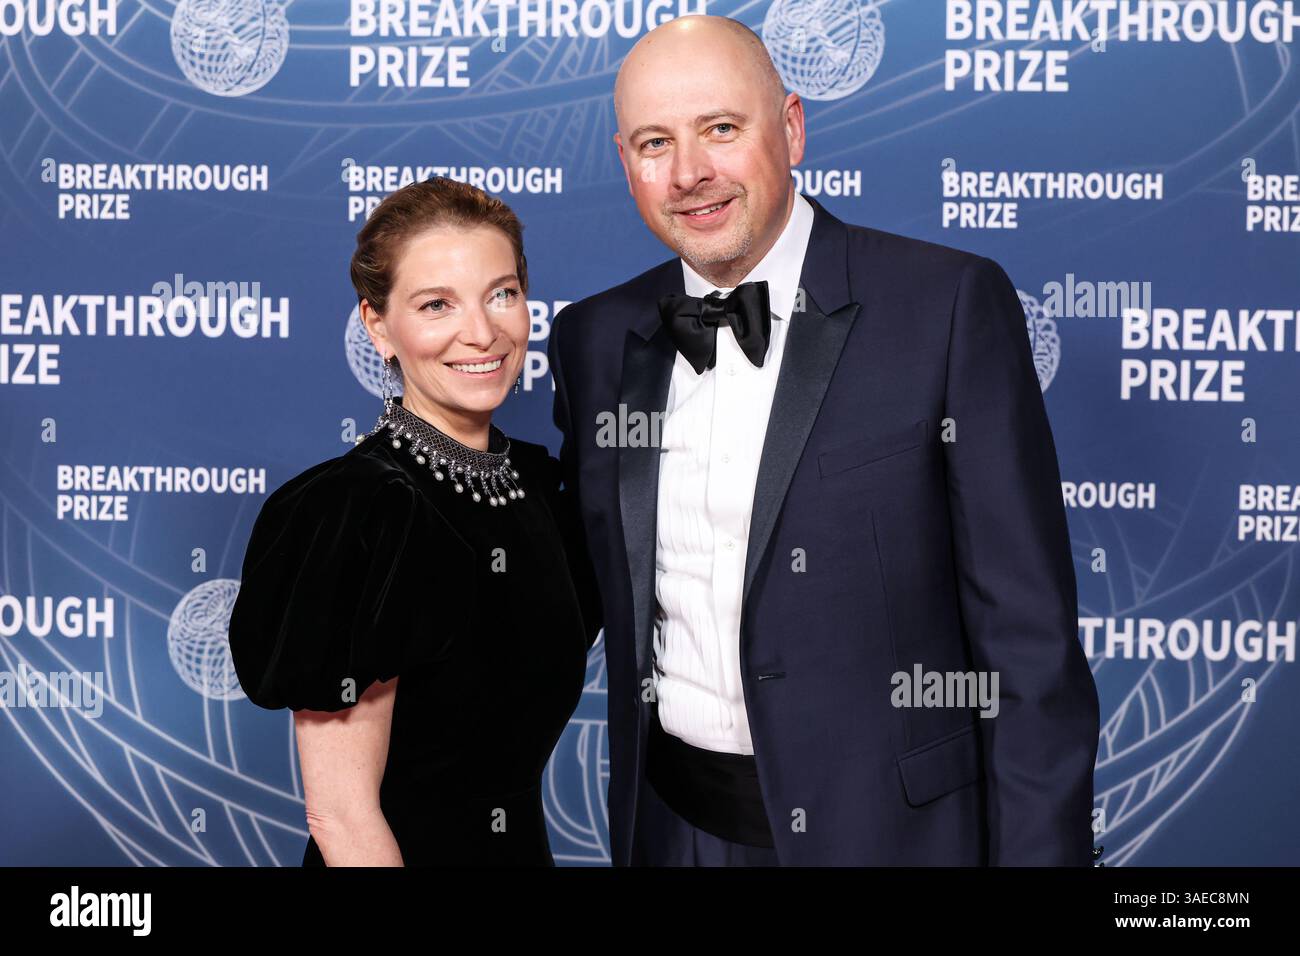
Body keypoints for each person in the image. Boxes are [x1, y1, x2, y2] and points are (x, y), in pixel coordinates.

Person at [547, 15, 1100, 866]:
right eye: (655, 143)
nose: (690, 173)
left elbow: (1027, 648)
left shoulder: (947, 306)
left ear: (793, 128)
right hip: (671, 833)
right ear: (626, 163)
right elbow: (572, 588)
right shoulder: (595, 338)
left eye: (721, 129)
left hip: (892, 840)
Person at [228, 176, 601, 866]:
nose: (482, 332)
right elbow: (342, 817)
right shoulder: (359, 512)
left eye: (502, 294)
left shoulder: (542, 491)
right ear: (378, 326)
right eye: (437, 305)